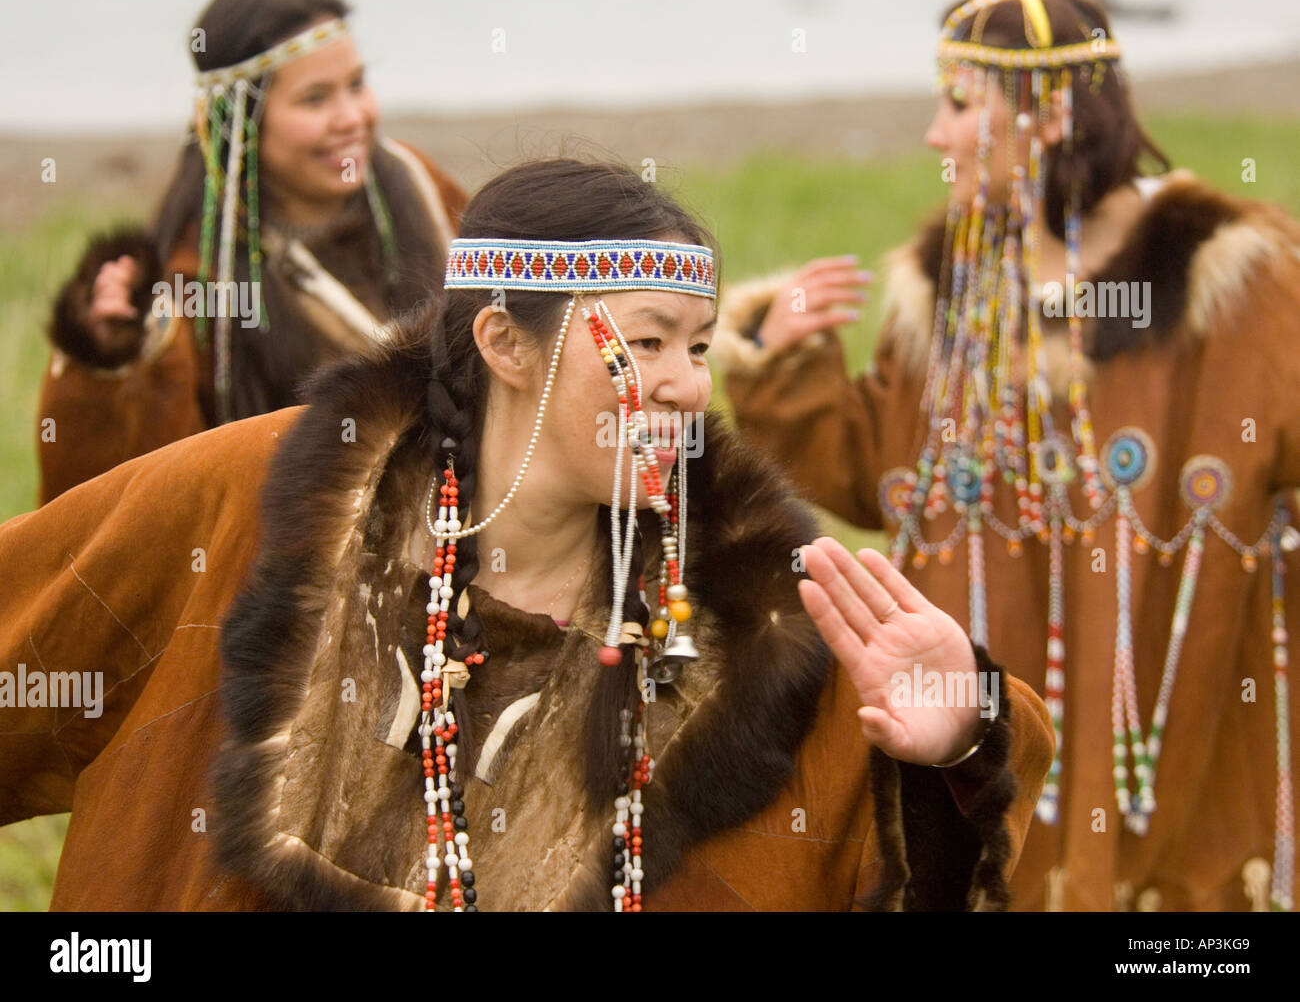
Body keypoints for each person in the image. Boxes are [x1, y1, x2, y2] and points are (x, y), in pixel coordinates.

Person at [0, 158, 1053, 911]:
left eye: (698, 346)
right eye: (645, 343)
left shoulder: (761, 633)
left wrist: (962, 743)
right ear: (505, 341)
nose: (690, 384)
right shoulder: (260, 497)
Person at [713, 0, 1300, 911]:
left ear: (1052, 112)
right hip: (987, 702)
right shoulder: (951, 287)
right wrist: (778, 352)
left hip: (1174, 711)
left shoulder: (1236, 279)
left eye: (959, 105)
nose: (934, 137)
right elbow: (877, 472)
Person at [37, 0, 467, 505]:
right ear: (239, 123)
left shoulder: (416, 181)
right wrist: (108, 367)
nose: (352, 117)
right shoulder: (195, 281)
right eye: (315, 99)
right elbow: (129, 505)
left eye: (357, 84)